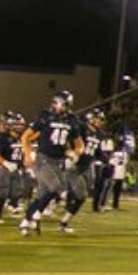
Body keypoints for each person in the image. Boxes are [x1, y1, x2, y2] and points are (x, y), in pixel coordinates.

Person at [21, 90, 87, 236]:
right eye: (62, 104)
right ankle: (37, 214)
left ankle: (25, 222)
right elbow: (25, 137)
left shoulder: (72, 120)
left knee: (43, 194)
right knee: (56, 187)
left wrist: (75, 154)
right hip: (43, 158)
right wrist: (27, 154)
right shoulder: (45, 116)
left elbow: (79, 144)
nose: (62, 107)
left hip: (58, 161)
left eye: (65, 105)